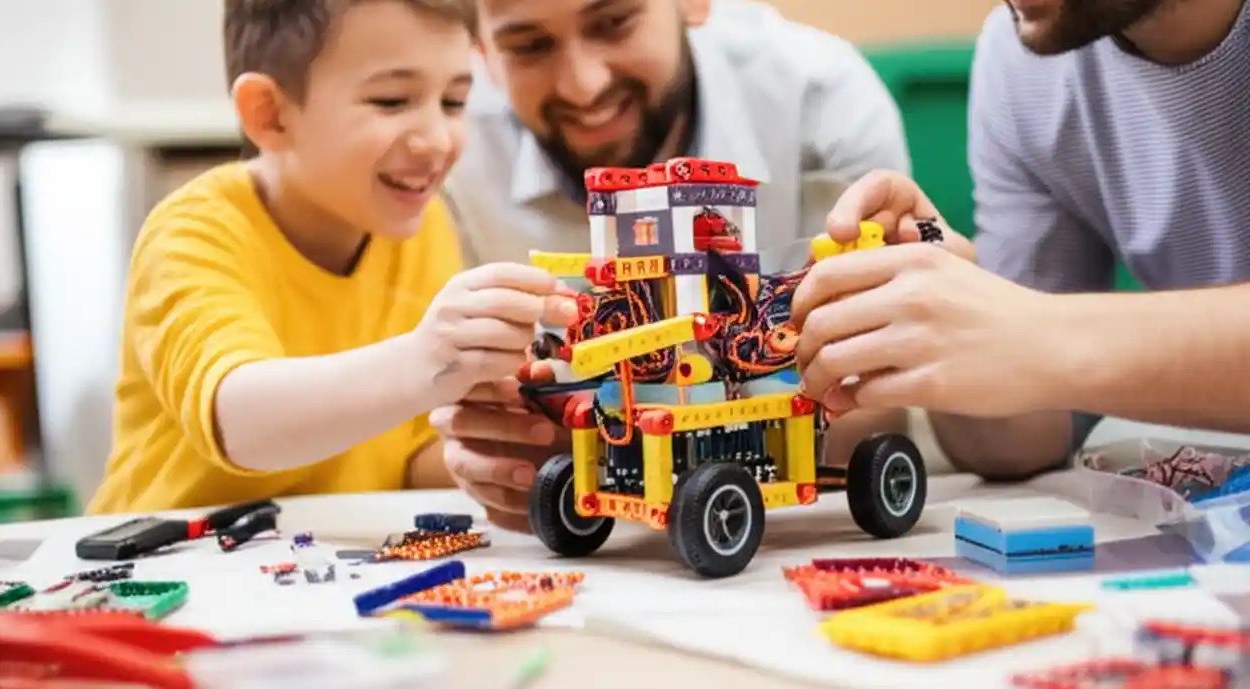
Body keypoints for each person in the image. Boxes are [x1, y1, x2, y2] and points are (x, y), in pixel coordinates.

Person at [431, 0, 914, 531]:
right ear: (482, 50)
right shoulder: (447, 143)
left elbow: (890, 389)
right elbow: (445, 413)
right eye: (528, 46)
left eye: (615, 22)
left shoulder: (821, 97)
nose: (583, 86)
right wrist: (511, 446)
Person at [88, 0, 576, 514]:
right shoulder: (193, 232)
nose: (437, 139)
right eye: (391, 101)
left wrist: (487, 456)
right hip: (159, 569)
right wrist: (426, 360)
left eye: (454, 102)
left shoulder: (422, 226)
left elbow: (404, 453)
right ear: (270, 114)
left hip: (323, 570)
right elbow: (243, 426)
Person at [790, 0, 1250, 481]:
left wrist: (1041, 334)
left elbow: (1042, 344)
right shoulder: (1025, 58)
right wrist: (947, 340)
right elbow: (1027, 438)